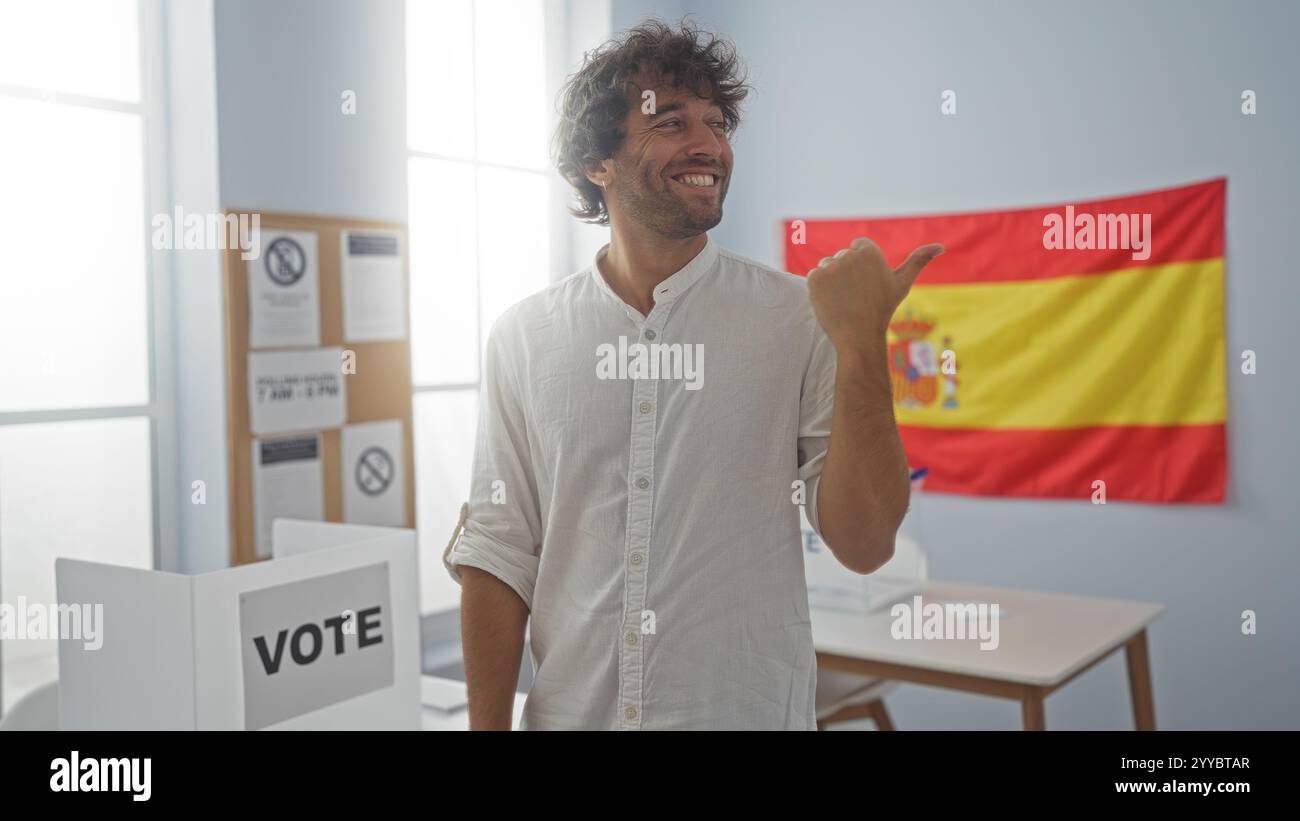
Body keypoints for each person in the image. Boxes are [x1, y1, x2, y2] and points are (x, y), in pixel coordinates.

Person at [444, 18, 943, 730]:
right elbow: (498, 550)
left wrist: (863, 346)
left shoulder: (799, 318)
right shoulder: (523, 337)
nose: (708, 144)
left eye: (717, 122)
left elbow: (865, 545)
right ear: (597, 163)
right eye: (671, 122)